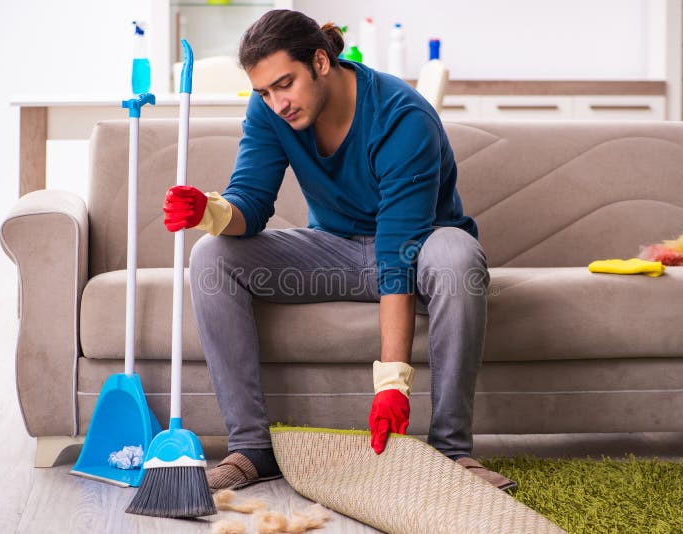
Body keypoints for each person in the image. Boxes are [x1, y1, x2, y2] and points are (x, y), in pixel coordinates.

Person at [162, 9, 516, 492]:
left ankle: (451, 452)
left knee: (457, 257)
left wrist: (392, 384)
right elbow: (252, 201)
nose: (277, 102)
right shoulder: (269, 111)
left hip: (423, 252)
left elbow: (398, 251)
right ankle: (251, 449)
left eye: (285, 84)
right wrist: (210, 211)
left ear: (322, 62)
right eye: (264, 91)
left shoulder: (403, 117)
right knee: (211, 254)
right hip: (337, 253)